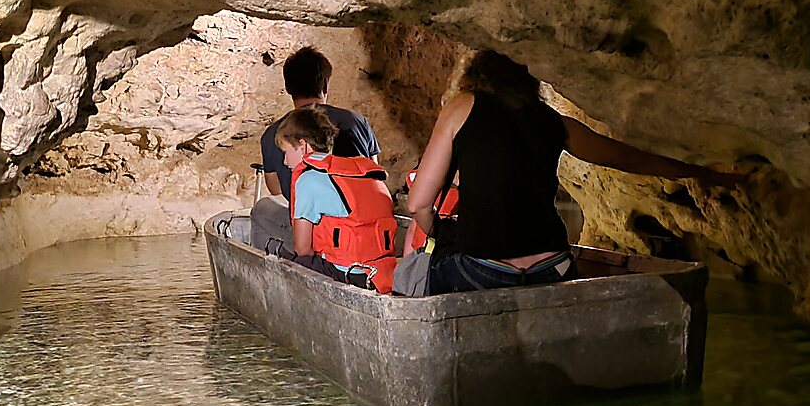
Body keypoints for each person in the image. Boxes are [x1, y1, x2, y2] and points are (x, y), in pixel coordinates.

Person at [408, 49, 745, 295]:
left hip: (482, 271)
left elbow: (418, 204)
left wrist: (440, 233)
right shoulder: (555, 122)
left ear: (476, 78)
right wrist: (704, 174)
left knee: (414, 273)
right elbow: (627, 157)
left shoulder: (461, 107)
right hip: (552, 267)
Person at [251, 47, 380, 254]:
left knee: (261, 209)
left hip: (317, 235)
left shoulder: (276, 133)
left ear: (288, 87)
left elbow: (275, 190)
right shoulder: (357, 122)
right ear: (325, 84)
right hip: (365, 227)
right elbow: (375, 171)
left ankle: (268, 266)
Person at [276, 106, 398, 293]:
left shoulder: (308, 179)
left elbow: (302, 250)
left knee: (283, 255)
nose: (285, 162)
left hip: (347, 274)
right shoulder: (359, 172)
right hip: (382, 273)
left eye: (286, 152)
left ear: (303, 146)